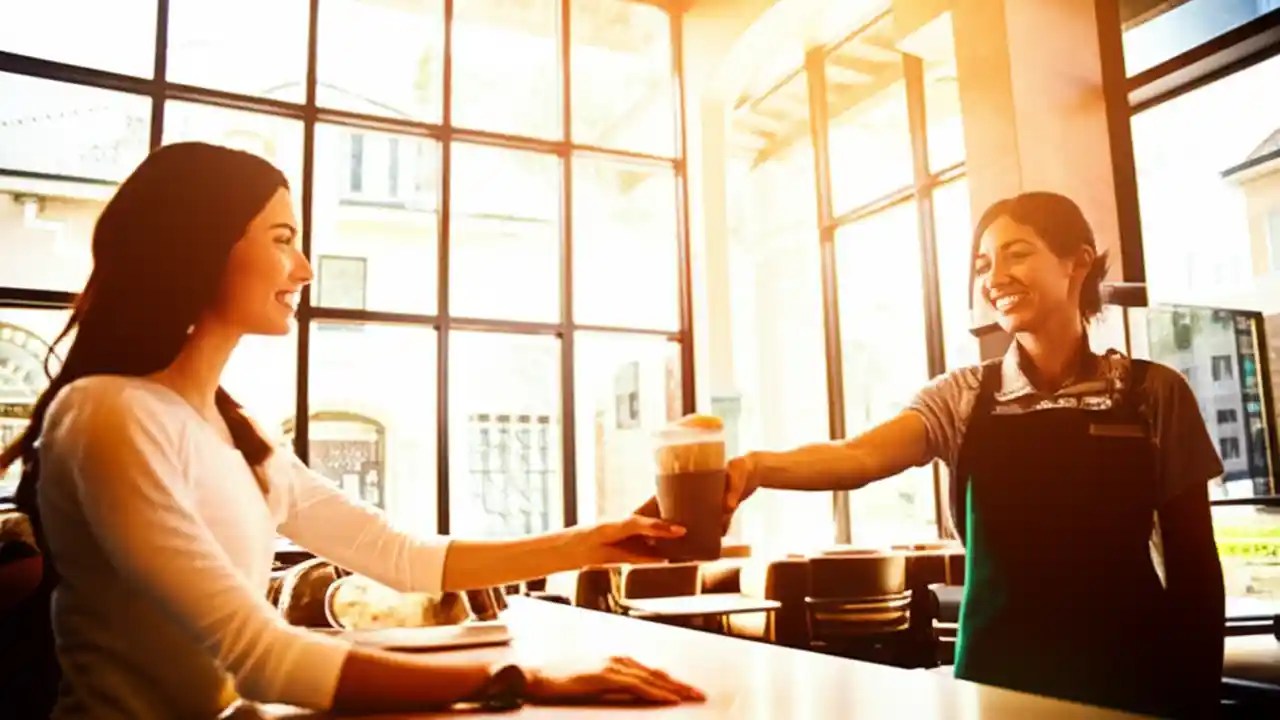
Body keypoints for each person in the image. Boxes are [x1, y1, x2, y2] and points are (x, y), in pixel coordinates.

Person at [0, 142, 703, 719]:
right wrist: (520, 676)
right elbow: (262, 656)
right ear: (200, 247)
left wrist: (595, 544)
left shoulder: (234, 432)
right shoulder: (108, 414)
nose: (304, 269)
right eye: (282, 241)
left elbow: (397, 554)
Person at [720, 192, 1225, 716]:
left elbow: (1195, 572)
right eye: (984, 264)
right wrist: (756, 467)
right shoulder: (962, 398)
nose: (995, 277)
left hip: (1128, 685)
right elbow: (860, 455)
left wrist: (1198, 701)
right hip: (996, 684)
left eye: (1017, 253)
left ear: (1077, 261)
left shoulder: (1152, 393)